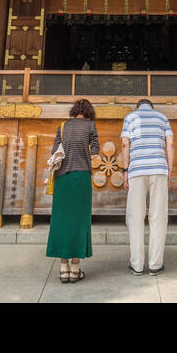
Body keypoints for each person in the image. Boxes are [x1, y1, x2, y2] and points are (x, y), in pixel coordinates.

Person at [45, 99, 100, 283]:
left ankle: (63, 269)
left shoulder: (63, 126)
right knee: (79, 220)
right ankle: (75, 269)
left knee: (61, 220)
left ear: (74, 111)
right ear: (89, 112)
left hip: (63, 178)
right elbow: (96, 152)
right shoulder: (91, 126)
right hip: (82, 176)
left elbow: (54, 152)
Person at [120, 98, 174, 275]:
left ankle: (136, 264)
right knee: (158, 216)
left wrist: (125, 170)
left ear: (136, 107)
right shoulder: (162, 117)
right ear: (152, 107)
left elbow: (125, 144)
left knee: (135, 216)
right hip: (159, 168)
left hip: (137, 170)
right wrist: (169, 170)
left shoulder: (130, 117)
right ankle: (155, 264)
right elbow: (170, 143)